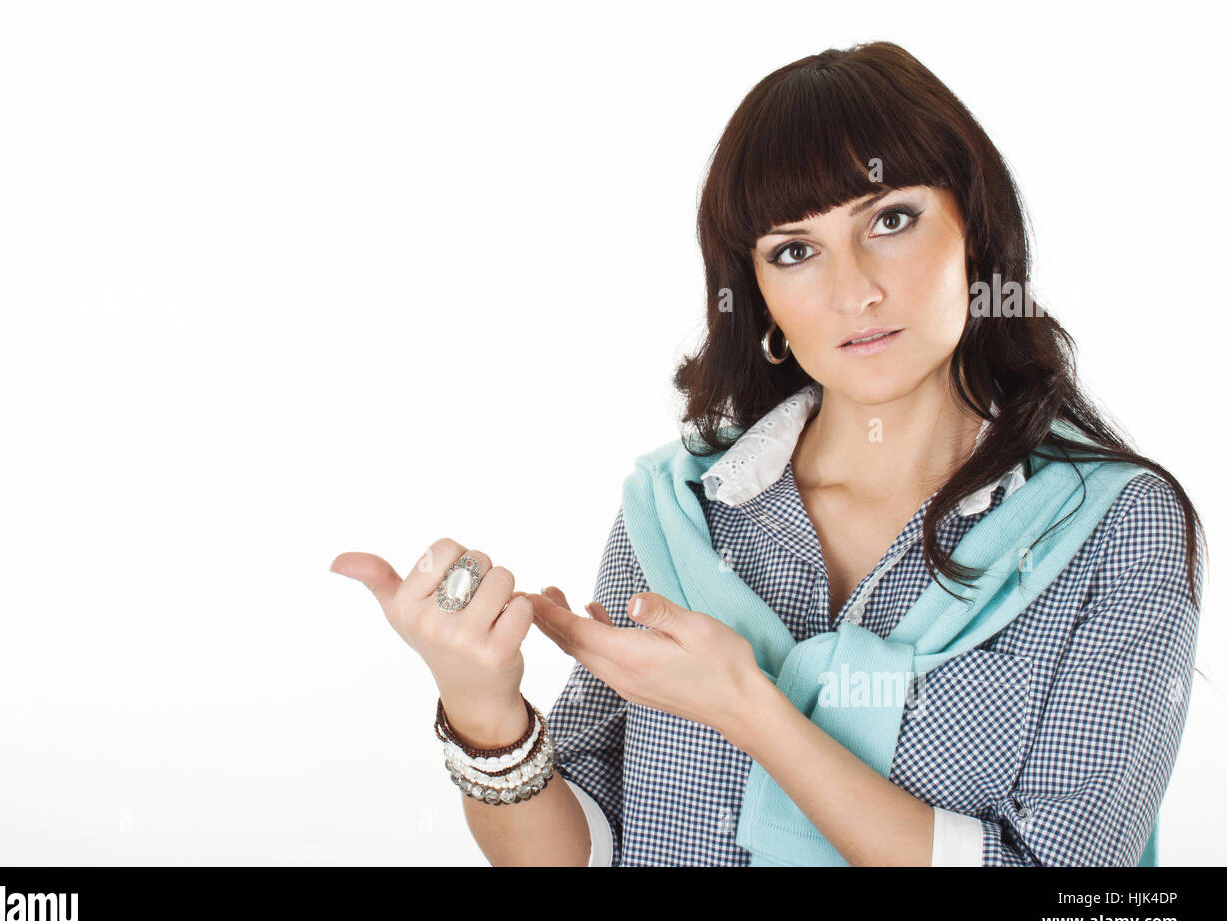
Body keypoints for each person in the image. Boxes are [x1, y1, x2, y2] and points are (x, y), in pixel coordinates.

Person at [330, 40, 1206, 866]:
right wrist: (483, 708)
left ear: (974, 235)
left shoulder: (1112, 528)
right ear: (760, 298)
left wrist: (750, 709)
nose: (853, 289)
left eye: (892, 219)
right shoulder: (681, 510)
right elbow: (587, 845)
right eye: (795, 251)